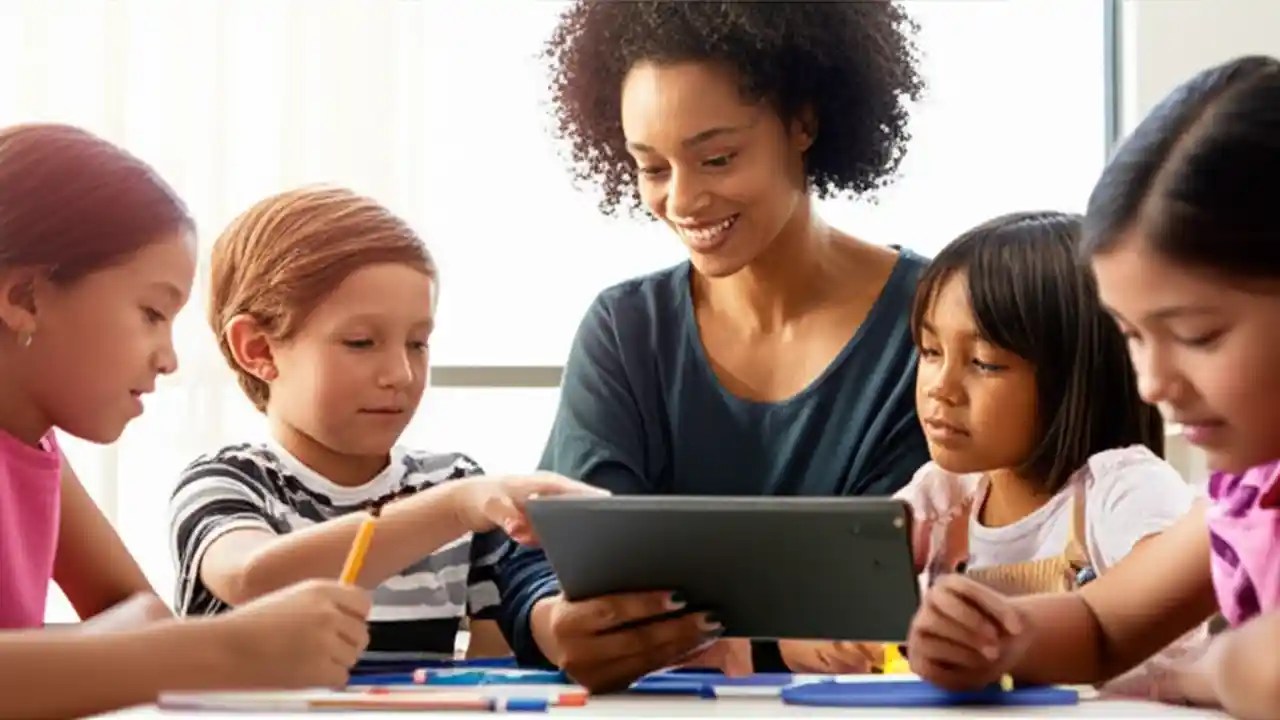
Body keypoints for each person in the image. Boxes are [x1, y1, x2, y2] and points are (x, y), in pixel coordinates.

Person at [497, 0, 930, 692]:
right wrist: (554, 622)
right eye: (653, 167)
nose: (684, 199)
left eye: (717, 157)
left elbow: (906, 584)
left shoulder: (935, 325)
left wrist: (744, 648)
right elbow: (547, 555)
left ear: (803, 123)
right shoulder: (626, 331)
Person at [903, 55, 1280, 719]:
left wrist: (1228, 666)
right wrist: (1002, 639)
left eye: (1196, 335)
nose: (1154, 382)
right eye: (1133, 336)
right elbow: (1102, 627)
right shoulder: (1245, 500)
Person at [0, 122, 373, 719]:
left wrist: (142, 646)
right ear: (24, 298)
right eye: (151, 312)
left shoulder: (33, 447)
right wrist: (224, 649)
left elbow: (138, 610)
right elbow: (147, 638)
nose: (169, 359)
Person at [168, 187, 605, 667]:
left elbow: (493, 670)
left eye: (418, 343)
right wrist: (457, 508)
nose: (401, 373)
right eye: (360, 342)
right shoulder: (224, 483)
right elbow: (253, 577)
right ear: (259, 350)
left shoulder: (452, 481)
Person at [778, 212, 1206, 693]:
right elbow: (837, 586)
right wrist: (818, 633)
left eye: (983, 363)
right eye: (931, 351)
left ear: (1077, 377)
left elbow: (1166, 635)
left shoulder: (1124, 489)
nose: (941, 390)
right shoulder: (941, 495)